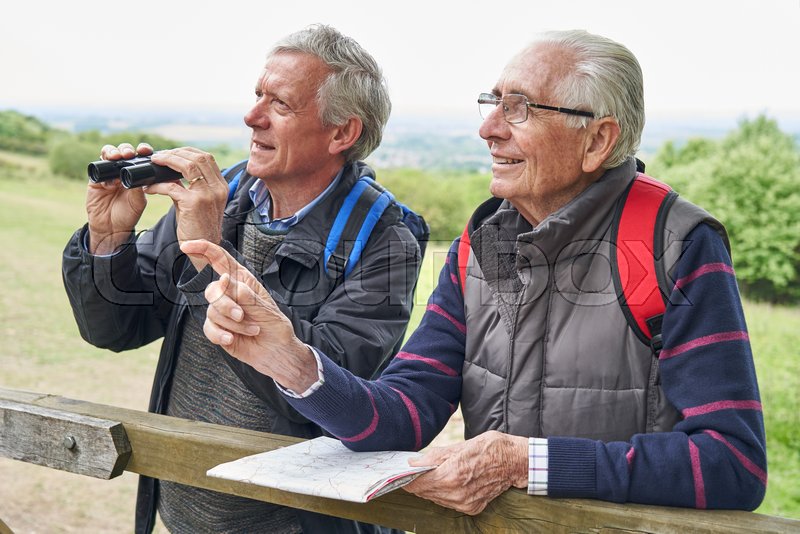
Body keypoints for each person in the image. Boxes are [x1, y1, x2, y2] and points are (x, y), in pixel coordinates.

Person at [181, 29, 767, 515]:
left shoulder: (676, 245)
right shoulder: (477, 249)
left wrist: (524, 462)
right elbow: (403, 416)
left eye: (520, 110)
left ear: (598, 140)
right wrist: (290, 360)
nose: (489, 129)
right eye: (492, 103)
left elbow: (732, 464)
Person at [62, 25, 422, 534]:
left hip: (293, 524)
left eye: (280, 104)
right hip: (182, 508)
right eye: (257, 95)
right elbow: (115, 329)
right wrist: (108, 238)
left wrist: (212, 251)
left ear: (342, 133)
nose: (251, 116)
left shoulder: (386, 242)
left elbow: (318, 390)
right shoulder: (225, 197)